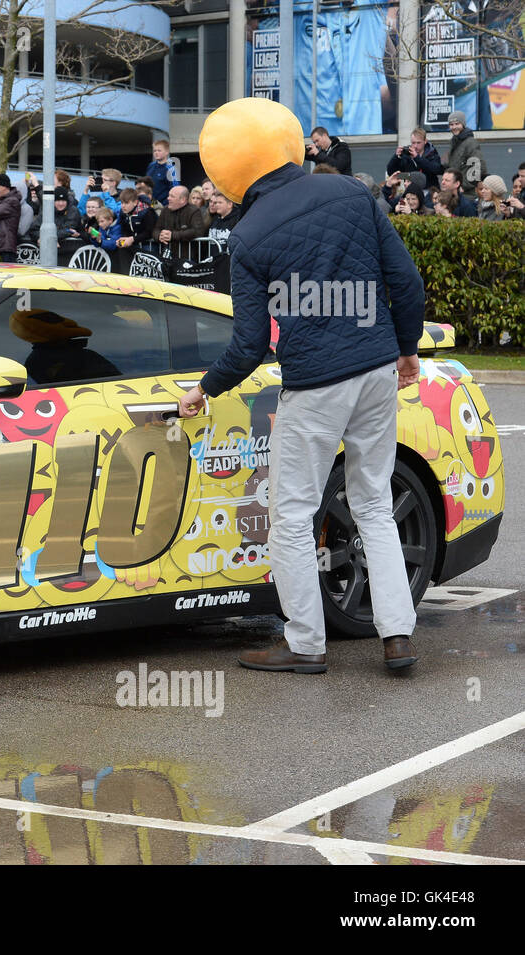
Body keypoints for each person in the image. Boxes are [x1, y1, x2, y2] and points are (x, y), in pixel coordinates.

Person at [178, 97, 424, 674]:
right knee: (373, 503)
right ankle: (397, 636)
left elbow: (247, 345)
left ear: (228, 170)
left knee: (291, 513)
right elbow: (406, 283)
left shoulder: (248, 237)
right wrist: (406, 350)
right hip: (375, 370)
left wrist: (204, 390)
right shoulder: (351, 192)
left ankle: (305, 643)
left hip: (314, 384)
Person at [153, 185, 208, 255]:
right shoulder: (165, 210)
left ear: (183, 200)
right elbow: (156, 229)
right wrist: (159, 236)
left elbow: (198, 231)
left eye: (172, 196)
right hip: (166, 256)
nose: (168, 198)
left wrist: (172, 235)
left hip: (187, 258)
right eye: (169, 195)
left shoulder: (194, 211)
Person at [445, 111, 485, 187]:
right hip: (457, 190)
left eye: (457, 124)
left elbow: (479, 169)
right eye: (451, 124)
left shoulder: (470, 143)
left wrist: (464, 186)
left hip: (468, 194)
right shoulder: (454, 142)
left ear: (463, 125)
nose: (454, 127)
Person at [145, 139, 180, 204]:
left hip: (163, 206)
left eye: (159, 150)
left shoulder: (171, 169)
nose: (156, 152)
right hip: (149, 203)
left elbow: (175, 190)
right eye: (154, 150)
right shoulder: (151, 166)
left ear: (166, 152)